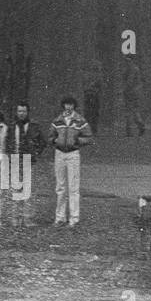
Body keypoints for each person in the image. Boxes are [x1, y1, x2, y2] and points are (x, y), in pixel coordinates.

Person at [49, 96, 92, 229]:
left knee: (73, 187)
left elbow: (89, 137)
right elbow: (51, 136)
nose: (68, 107)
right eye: (66, 105)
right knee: (60, 187)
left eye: (71, 105)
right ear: (63, 106)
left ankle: (74, 218)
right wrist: (55, 141)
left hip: (73, 154)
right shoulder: (57, 120)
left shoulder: (80, 120)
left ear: (74, 106)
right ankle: (60, 217)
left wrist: (78, 141)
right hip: (60, 153)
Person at [4, 101, 45, 227]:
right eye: (19, 111)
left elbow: (42, 142)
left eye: (24, 111)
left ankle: (27, 218)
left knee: (28, 190)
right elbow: (7, 143)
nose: (21, 114)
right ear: (17, 112)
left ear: (28, 112)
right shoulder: (11, 127)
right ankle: (15, 217)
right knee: (16, 189)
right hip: (15, 160)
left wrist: (35, 153)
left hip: (28, 160)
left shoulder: (34, 127)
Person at [122, 56, 145, 137]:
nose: (127, 63)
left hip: (131, 93)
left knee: (129, 111)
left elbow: (129, 82)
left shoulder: (132, 69)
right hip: (135, 93)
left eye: (128, 61)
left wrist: (124, 90)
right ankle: (140, 125)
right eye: (126, 61)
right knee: (134, 111)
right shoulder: (134, 69)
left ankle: (130, 131)